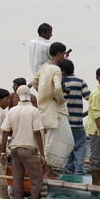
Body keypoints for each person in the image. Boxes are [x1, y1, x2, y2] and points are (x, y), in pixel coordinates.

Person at [0, 85, 46, 199]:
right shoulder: (34, 111)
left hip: (14, 149)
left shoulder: (12, 111)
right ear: (30, 96)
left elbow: (5, 132)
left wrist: (3, 152)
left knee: (17, 180)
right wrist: (41, 153)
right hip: (29, 149)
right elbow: (37, 132)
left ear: (18, 96)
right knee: (36, 181)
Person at [36, 43, 72, 173]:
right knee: (65, 140)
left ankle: (47, 169)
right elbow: (57, 88)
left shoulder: (44, 67)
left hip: (44, 108)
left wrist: (42, 94)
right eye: (63, 54)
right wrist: (60, 100)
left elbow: (35, 82)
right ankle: (47, 170)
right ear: (58, 54)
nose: (63, 56)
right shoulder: (56, 69)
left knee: (49, 141)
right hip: (55, 110)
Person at [60, 59, 89, 174]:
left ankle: (68, 169)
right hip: (77, 121)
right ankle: (79, 170)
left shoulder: (60, 83)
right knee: (80, 146)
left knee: (68, 146)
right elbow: (88, 97)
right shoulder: (80, 81)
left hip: (64, 123)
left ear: (62, 71)